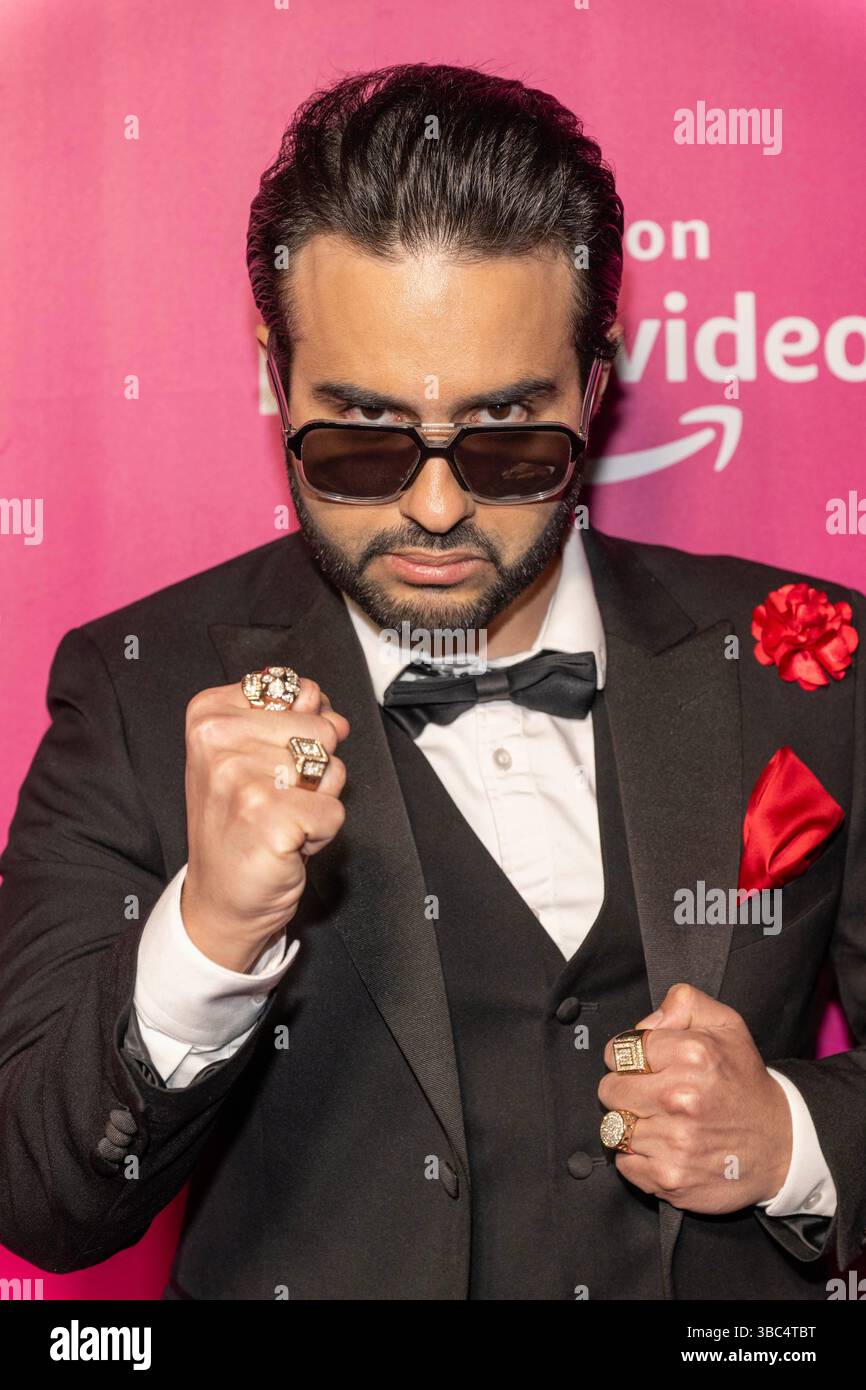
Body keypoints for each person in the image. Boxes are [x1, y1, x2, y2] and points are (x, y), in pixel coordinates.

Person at [0, 63, 863, 1301]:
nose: (437, 505)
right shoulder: (140, 689)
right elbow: (42, 1195)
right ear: (274, 375)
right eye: (357, 440)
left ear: (597, 384)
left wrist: (794, 1139)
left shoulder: (810, 659)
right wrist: (206, 938)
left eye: (510, 438)